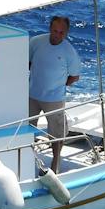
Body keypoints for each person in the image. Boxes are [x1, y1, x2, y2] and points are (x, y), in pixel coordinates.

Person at [29, 14, 83, 142]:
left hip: (54, 99)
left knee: (56, 135)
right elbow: (28, 62)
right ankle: (28, 157)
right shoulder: (36, 42)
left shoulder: (69, 51)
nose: (57, 35)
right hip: (32, 95)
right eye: (55, 31)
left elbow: (74, 76)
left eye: (61, 32)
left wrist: (58, 85)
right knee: (27, 130)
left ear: (66, 33)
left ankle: (56, 161)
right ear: (49, 28)